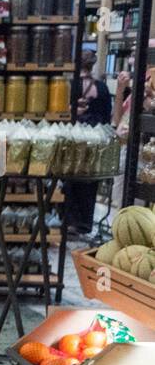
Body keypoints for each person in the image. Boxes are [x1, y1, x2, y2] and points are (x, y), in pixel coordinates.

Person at [64, 49, 113, 237]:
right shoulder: (102, 88)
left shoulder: (71, 85)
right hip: (95, 141)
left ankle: (68, 220)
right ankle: (84, 224)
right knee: (89, 182)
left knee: (69, 178)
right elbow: (107, 117)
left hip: (72, 138)